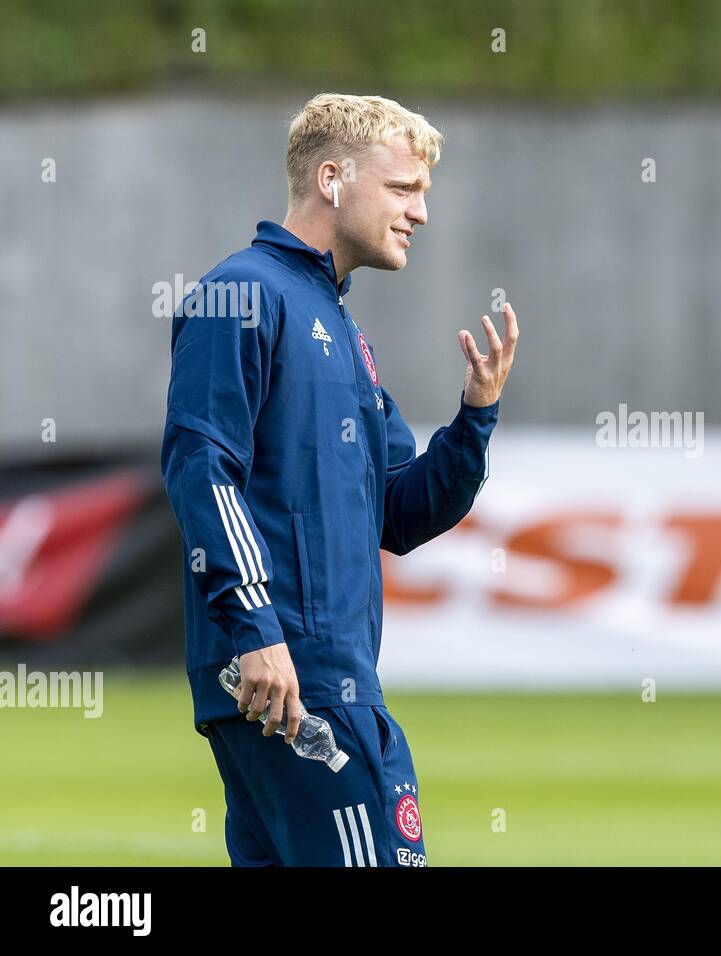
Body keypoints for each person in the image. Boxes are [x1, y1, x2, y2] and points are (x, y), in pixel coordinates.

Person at [161, 93, 519, 866]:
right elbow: (202, 468)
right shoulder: (243, 294)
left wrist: (475, 418)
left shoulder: (338, 324)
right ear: (331, 178)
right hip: (292, 675)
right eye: (402, 189)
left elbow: (401, 509)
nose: (421, 212)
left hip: (315, 673)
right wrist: (258, 630)